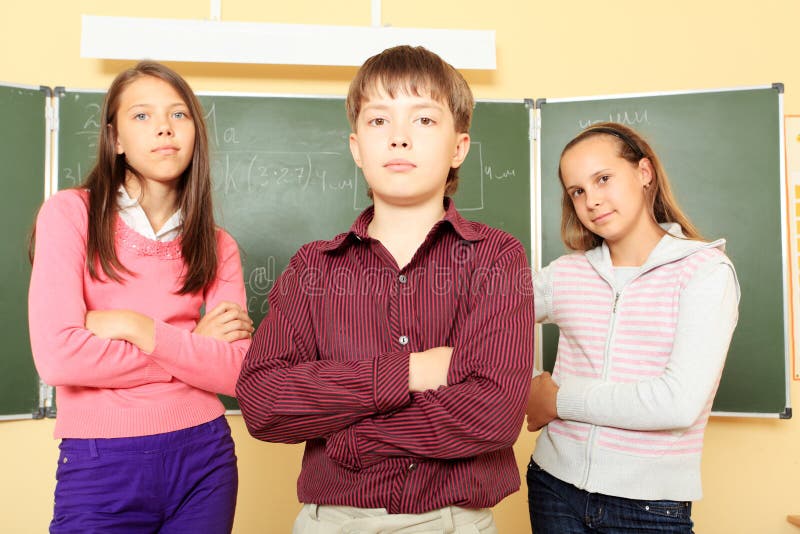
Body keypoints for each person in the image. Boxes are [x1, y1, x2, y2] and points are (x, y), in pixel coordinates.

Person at [236, 45, 534, 533]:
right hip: (331, 523)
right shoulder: (313, 268)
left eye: (424, 120)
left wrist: (358, 437)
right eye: (379, 121)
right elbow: (264, 403)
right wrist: (410, 371)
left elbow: (493, 413)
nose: (399, 137)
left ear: (459, 147)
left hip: (453, 523)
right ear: (357, 148)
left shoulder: (496, 258)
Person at [28, 61, 253, 533]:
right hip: (101, 462)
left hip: (205, 459)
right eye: (142, 115)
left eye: (178, 114)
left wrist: (137, 327)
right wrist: (192, 345)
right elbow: (58, 358)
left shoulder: (218, 244)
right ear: (115, 139)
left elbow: (235, 372)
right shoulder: (70, 215)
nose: (164, 128)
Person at [525, 122, 740, 533]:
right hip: (553, 487)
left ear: (644, 172)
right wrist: (528, 383)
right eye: (577, 191)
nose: (591, 200)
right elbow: (483, 320)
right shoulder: (565, 274)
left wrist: (558, 399)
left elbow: (677, 403)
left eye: (603, 179)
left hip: (649, 506)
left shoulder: (704, 272)